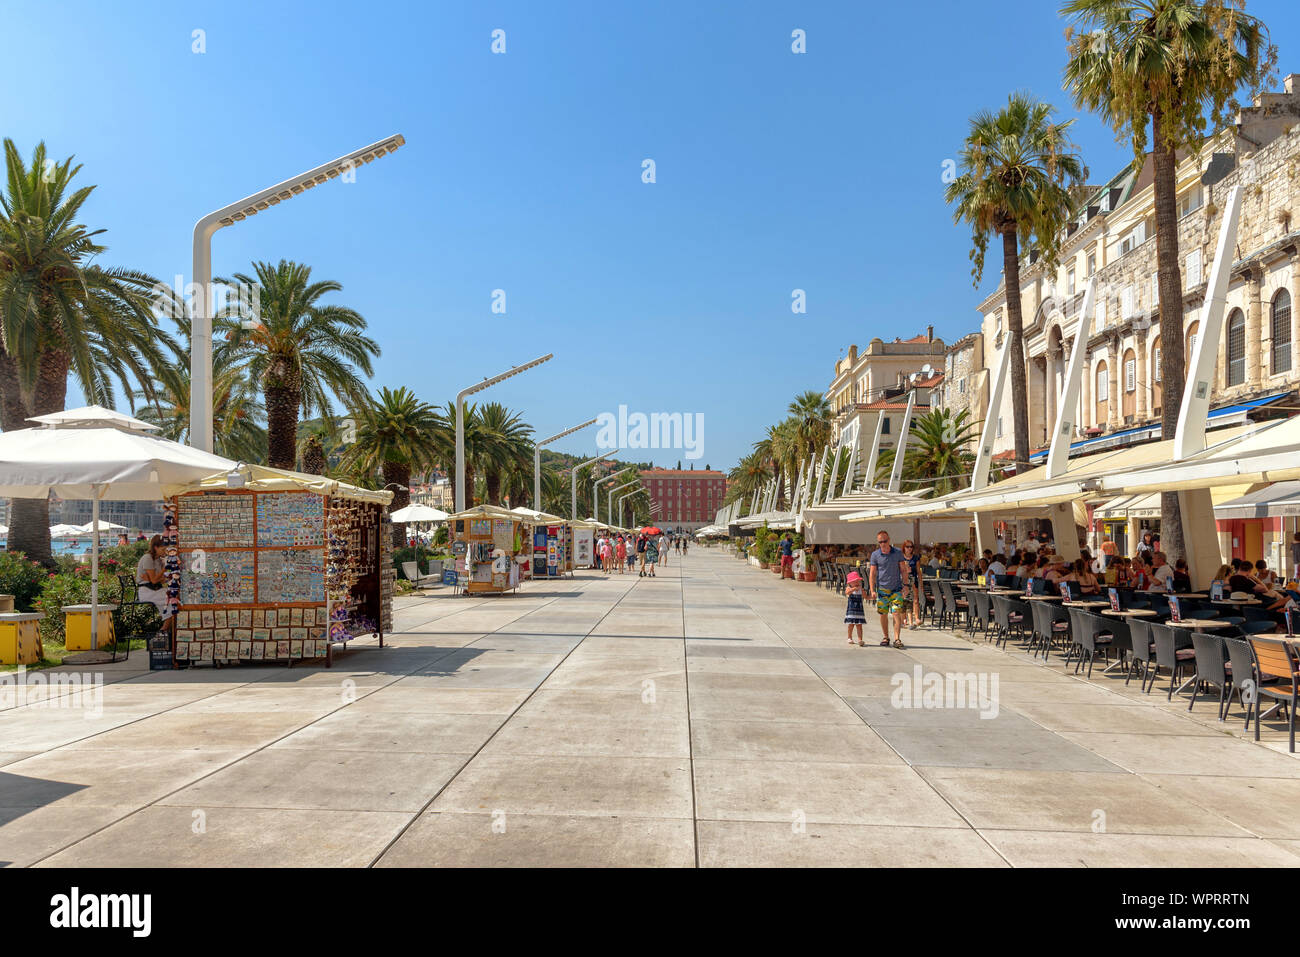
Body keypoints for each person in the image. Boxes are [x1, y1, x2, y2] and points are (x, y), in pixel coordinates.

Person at [868, 530, 909, 649]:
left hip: (896, 589)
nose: (883, 544)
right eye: (880, 542)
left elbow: (903, 570)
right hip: (882, 589)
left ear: (889, 540)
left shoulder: (897, 553)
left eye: (885, 541)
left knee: (896, 612)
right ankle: (886, 637)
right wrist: (872, 590)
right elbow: (872, 573)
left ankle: (897, 638)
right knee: (883, 614)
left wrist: (905, 585)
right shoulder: (875, 555)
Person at [135, 534, 168, 616]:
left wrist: (150, 579)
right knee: (173, 598)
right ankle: (165, 628)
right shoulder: (148, 558)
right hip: (147, 591)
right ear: (155, 547)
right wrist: (164, 569)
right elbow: (155, 580)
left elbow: (162, 580)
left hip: (155, 589)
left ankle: (164, 628)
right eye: (163, 549)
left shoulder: (158, 560)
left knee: (173, 600)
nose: (165, 551)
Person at [844, 570, 867, 646]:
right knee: (851, 624)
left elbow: (865, 596)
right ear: (850, 583)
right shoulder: (849, 588)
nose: (857, 583)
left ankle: (860, 639)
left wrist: (871, 597)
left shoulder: (861, 589)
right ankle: (849, 637)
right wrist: (853, 589)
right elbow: (847, 592)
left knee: (859, 625)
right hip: (852, 610)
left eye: (858, 581)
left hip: (859, 610)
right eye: (855, 581)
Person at [901, 540, 921, 628]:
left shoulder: (915, 558)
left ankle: (916, 618)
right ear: (904, 548)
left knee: (915, 599)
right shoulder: (901, 558)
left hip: (913, 580)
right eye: (907, 547)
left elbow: (918, 571)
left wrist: (921, 583)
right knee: (905, 600)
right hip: (903, 581)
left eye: (911, 547)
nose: (909, 549)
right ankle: (905, 619)